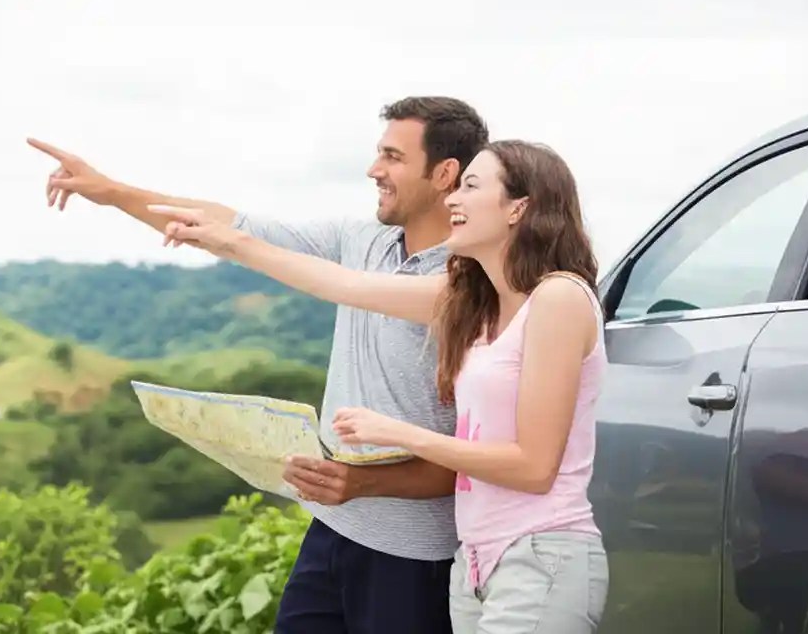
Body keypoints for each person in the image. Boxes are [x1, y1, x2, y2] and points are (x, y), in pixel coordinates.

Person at [30, 96, 490, 632]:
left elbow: (472, 455)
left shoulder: (473, 282)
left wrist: (362, 484)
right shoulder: (361, 239)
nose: (373, 169)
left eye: (392, 156)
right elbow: (229, 224)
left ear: (445, 173)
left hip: (415, 556)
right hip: (331, 531)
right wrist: (110, 192)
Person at [151, 139, 610, 632]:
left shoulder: (559, 298)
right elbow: (343, 285)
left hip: (541, 554)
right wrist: (230, 243)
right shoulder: (477, 304)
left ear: (519, 206)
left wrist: (401, 434)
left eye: (471, 187)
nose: (453, 199)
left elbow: (534, 467)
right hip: (476, 563)